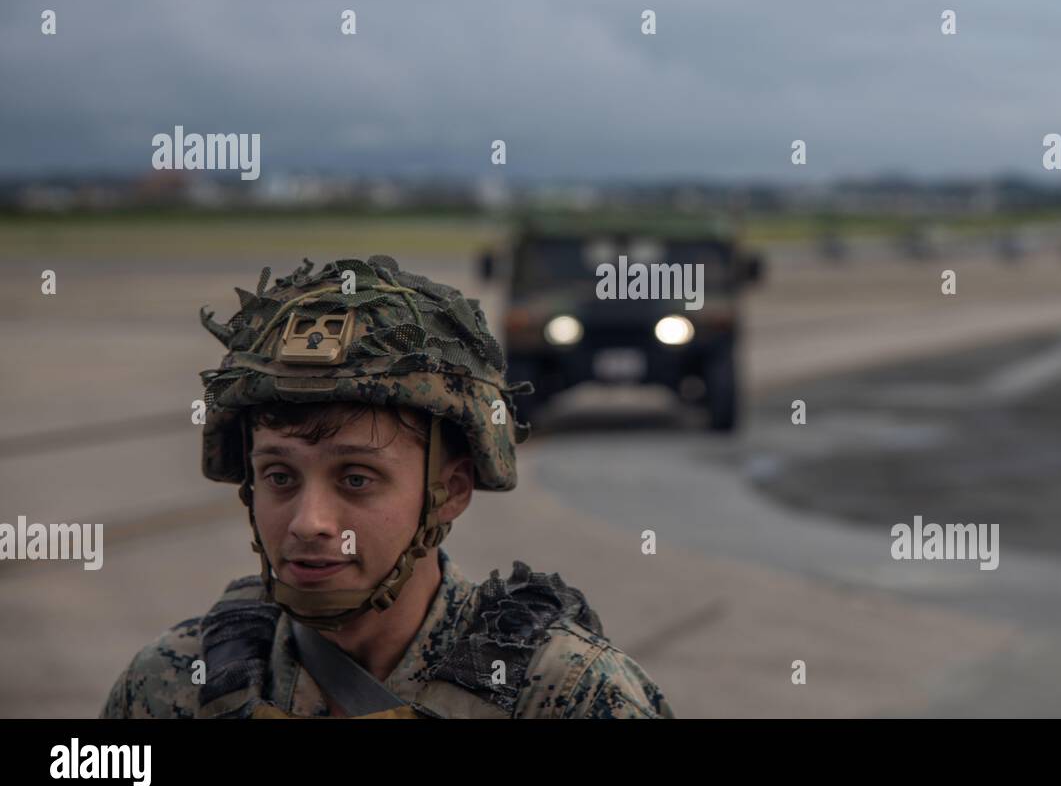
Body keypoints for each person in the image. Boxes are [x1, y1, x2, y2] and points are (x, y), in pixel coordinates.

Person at [100, 255, 673, 719]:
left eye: (356, 479)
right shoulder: (175, 684)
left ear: (448, 492)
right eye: (279, 476)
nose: (307, 522)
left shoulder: (566, 695)